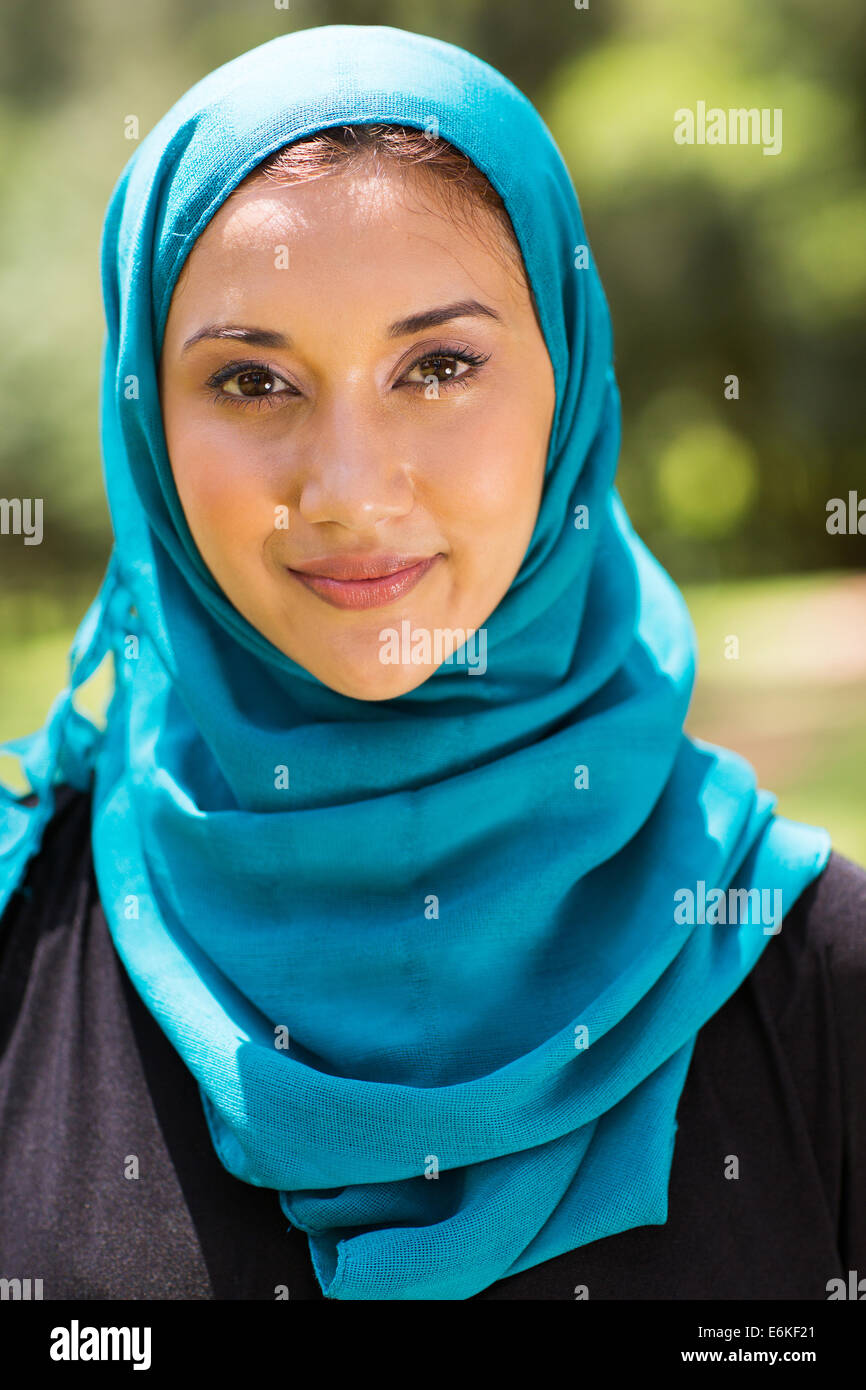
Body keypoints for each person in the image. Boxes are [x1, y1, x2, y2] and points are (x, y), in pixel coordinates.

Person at [0, 24, 863, 1302]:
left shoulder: (817, 979)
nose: (348, 492)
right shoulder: (21, 934)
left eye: (439, 365)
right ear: (145, 415)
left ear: (566, 382)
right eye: (250, 380)